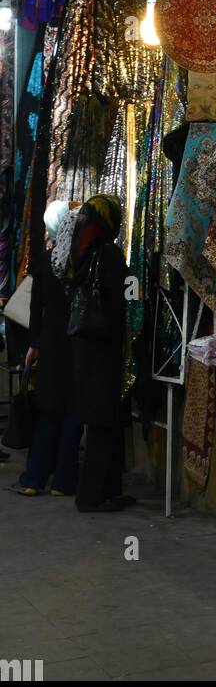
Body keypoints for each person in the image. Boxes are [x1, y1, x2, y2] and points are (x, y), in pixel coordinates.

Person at [53, 194, 135, 514]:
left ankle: (108, 492)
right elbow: (128, 291)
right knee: (103, 425)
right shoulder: (108, 255)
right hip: (102, 350)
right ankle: (91, 497)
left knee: (103, 424)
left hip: (85, 349)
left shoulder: (79, 256)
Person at [14, 200, 82, 496]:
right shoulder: (81, 261)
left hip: (51, 343)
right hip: (77, 343)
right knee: (71, 412)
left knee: (48, 410)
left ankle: (34, 478)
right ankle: (63, 482)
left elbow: (35, 303)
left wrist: (33, 344)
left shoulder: (45, 260)